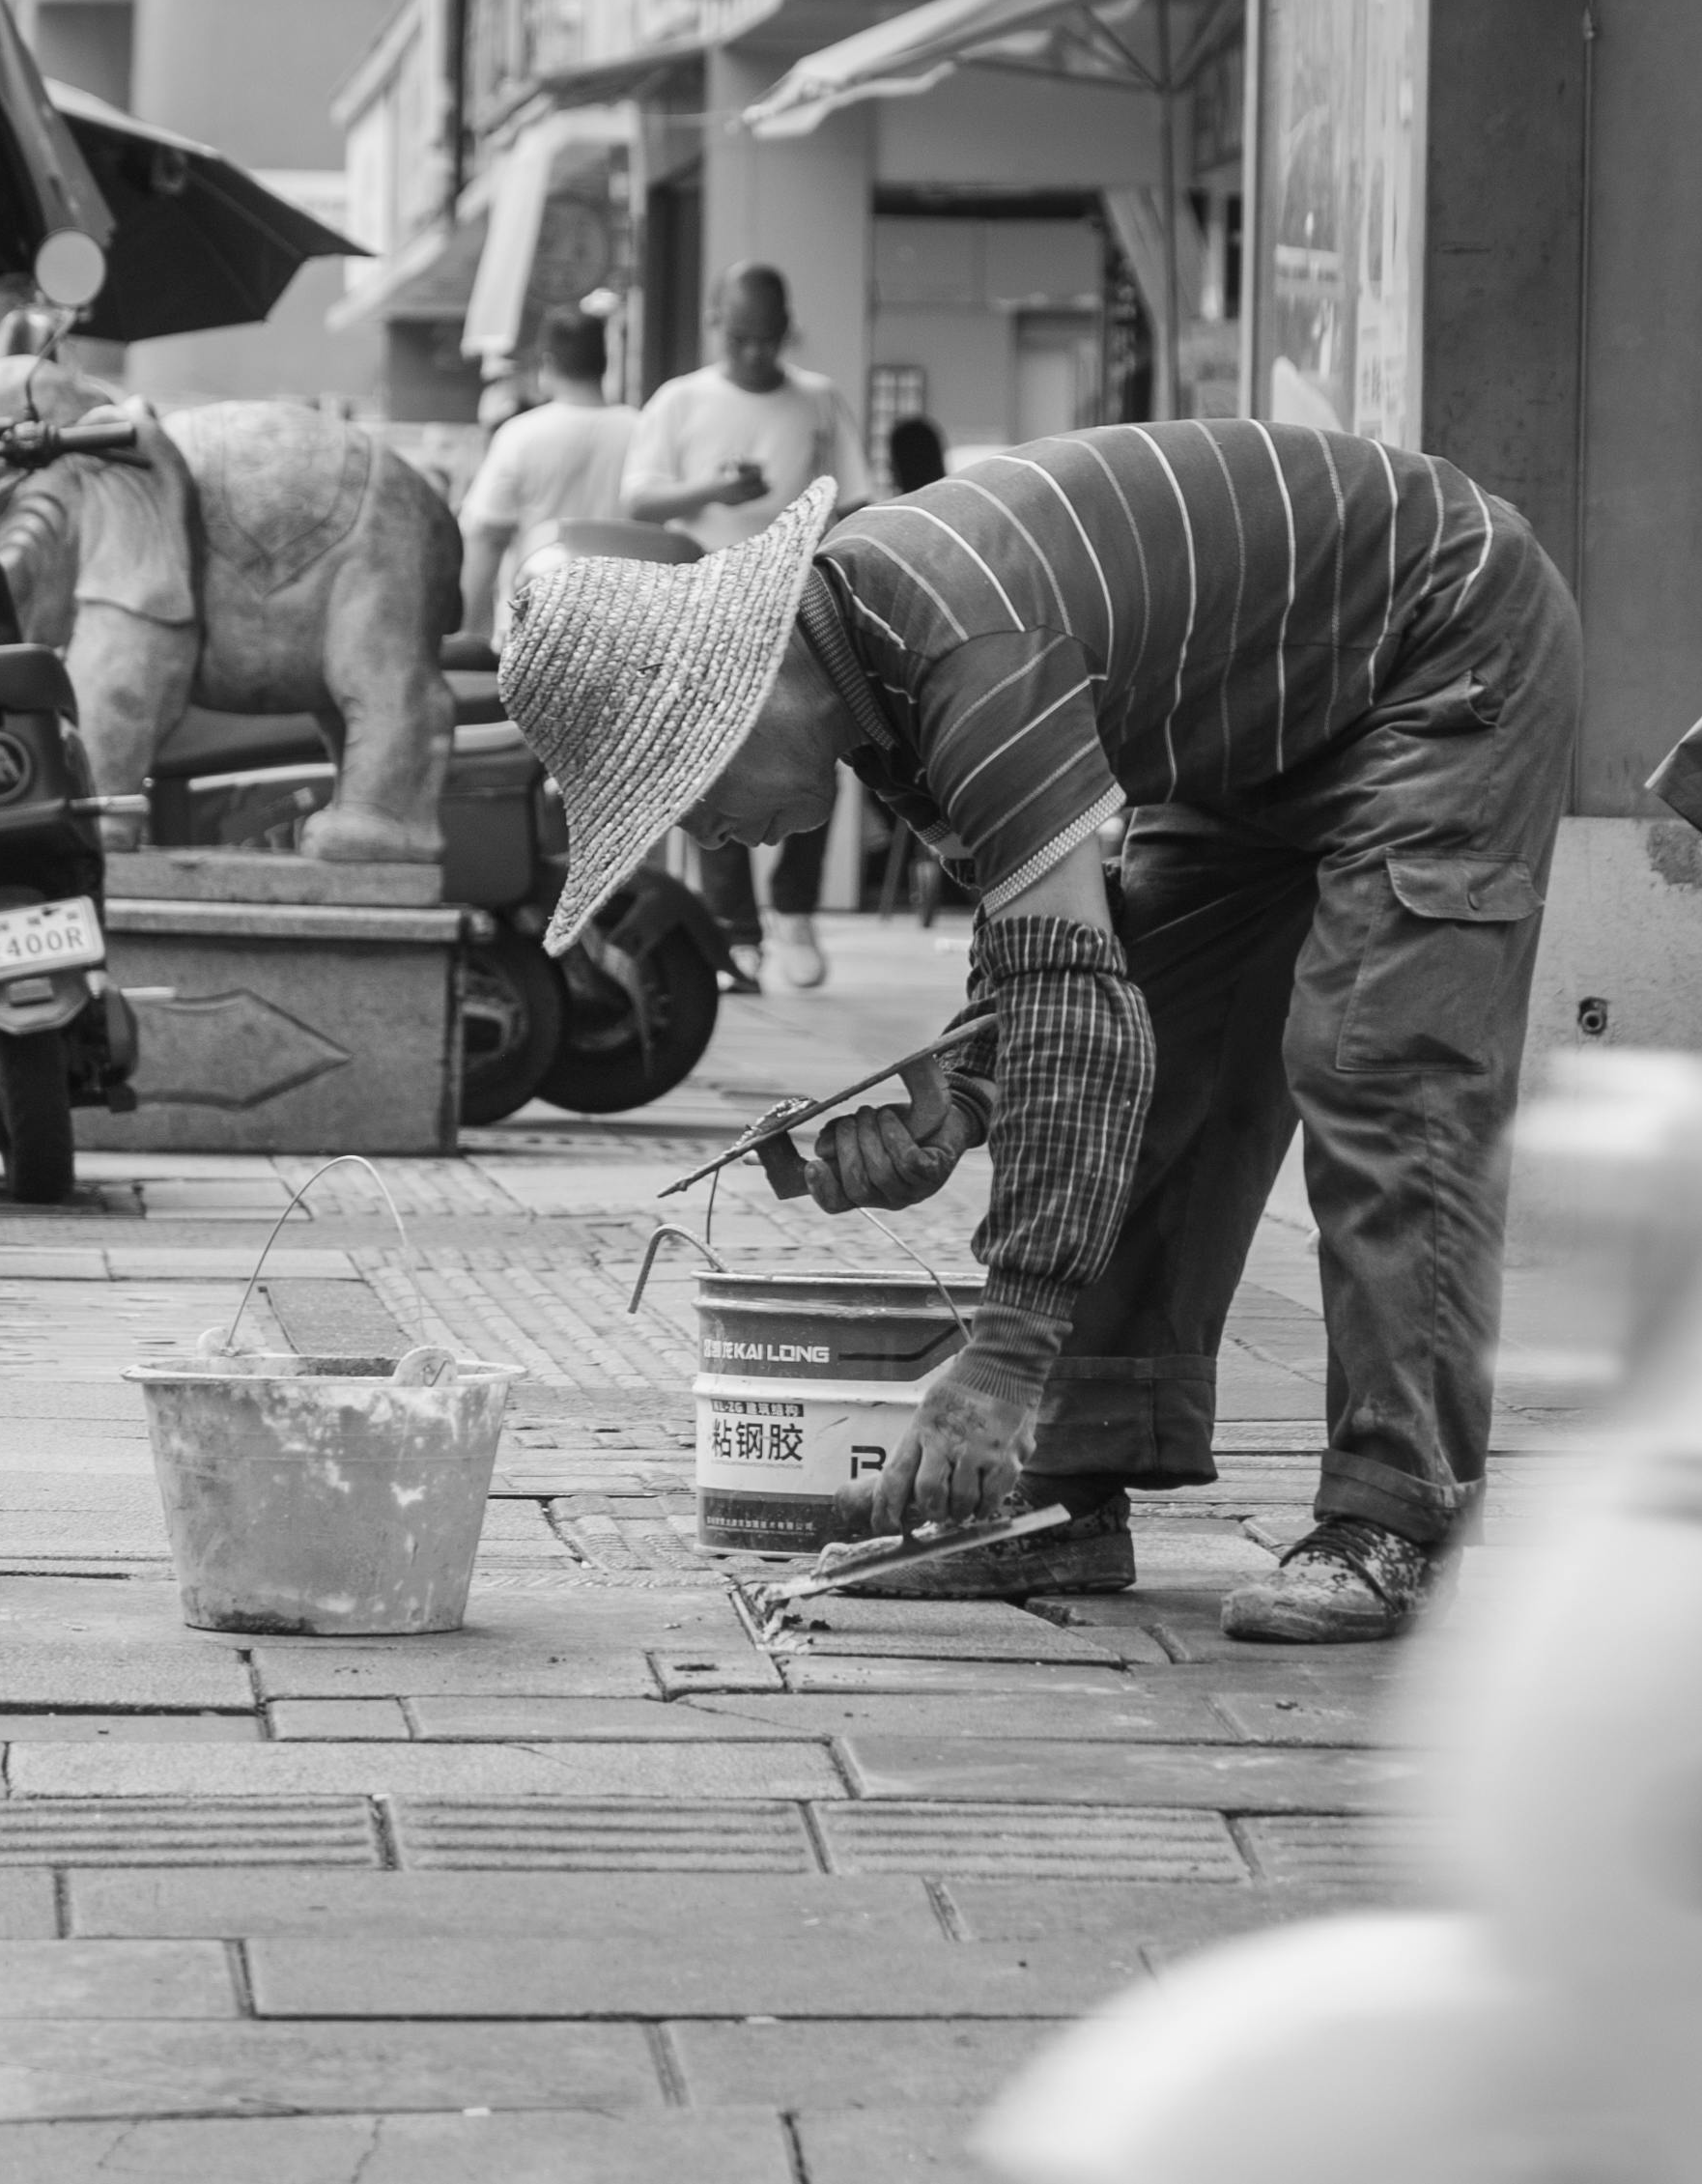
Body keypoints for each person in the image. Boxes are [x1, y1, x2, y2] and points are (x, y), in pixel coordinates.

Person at [499, 418, 1580, 1644]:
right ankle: (1068, 1491)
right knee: (1156, 1044)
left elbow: (1073, 1006)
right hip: (1244, 732)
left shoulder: (959, 637)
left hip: (1439, 643)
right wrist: (955, 1101)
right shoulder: (872, 680)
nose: (712, 842)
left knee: (1379, 1063)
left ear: (730, 707)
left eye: (682, 799)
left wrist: (1005, 1354)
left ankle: (1398, 1512)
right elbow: (1057, 955)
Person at [622, 262, 871, 990]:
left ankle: (794, 908)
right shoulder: (680, 401)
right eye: (740, 338)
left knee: (820, 747)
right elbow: (638, 500)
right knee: (708, 758)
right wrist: (717, 490)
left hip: (801, 605)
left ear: (785, 328)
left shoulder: (819, 399)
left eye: (767, 338)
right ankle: (735, 929)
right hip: (705, 601)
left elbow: (856, 499)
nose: (756, 353)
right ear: (714, 322)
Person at [458, 307, 638, 646]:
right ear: (604, 362)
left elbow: (487, 538)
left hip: (538, 634)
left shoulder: (521, 435)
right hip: (628, 630)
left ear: (548, 363)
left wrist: (466, 635)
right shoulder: (641, 430)